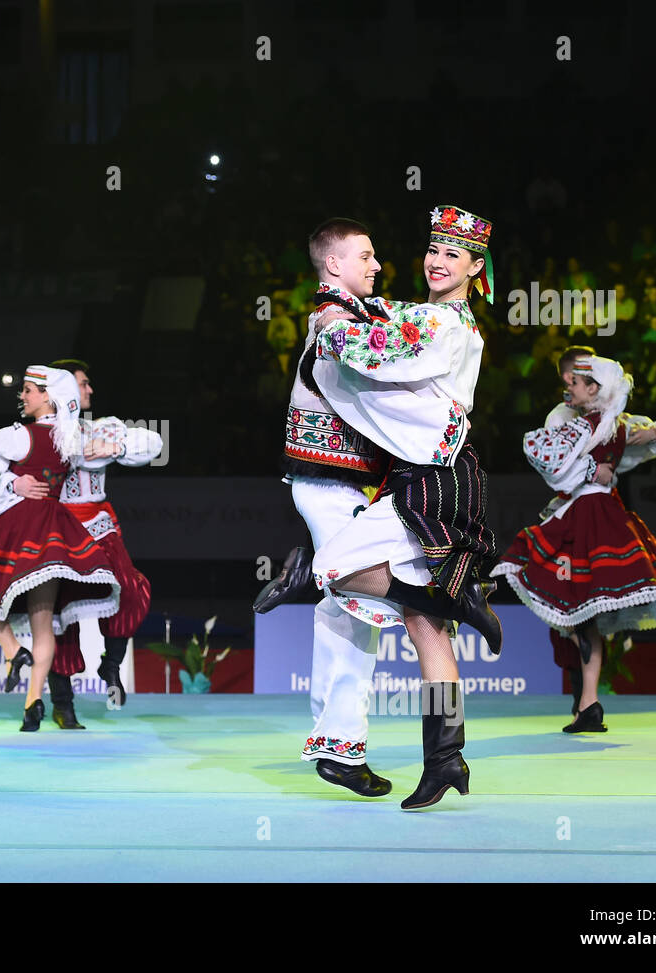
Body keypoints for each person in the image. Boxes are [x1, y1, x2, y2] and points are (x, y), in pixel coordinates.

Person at [307, 204, 503, 810]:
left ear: (476, 268)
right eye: (433, 250)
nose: (437, 261)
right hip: (435, 474)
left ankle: (452, 597)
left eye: (454, 254)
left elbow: (376, 355)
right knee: (428, 629)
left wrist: (332, 321)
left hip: (436, 477)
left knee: (331, 569)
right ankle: (447, 758)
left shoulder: (441, 324)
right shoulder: (432, 316)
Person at [253, 217, 393, 797]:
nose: (377, 264)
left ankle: (335, 742)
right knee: (365, 603)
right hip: (329, 483)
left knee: (343, 614)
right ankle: (341, 748)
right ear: (333, 264)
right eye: (365, 254)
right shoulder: (334, 321)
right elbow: (380, 374)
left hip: (342, 485)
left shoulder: (358, 315)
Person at [495, 355, 656, 731]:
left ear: (593, 388)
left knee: (565, 592)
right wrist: (649, 435)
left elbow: (542, 454)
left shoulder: (589, 424)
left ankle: (587, 701)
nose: (569, 389)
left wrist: (587, 468)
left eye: (577, 383)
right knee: (588, 611)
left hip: (585, 511)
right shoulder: (613, 424)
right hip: (607, 509)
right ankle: (588, 702)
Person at [0, 365, 120, 731]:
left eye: (29, 390)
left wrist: (12, 478)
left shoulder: (20, 436)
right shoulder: (70, 438)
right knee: (43, 621)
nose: (23, 396)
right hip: (55, 533)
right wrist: (117, 445)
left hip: (20, 527)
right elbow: (105, 449)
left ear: (47, 396)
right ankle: (33, 704)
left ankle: (12, 649)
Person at [8, 359, 162, 728]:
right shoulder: (38, 434)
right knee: (59, 616)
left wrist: (117, 444)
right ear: (62, 390)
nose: (89, 390)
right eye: (83, 383)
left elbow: (154, 443)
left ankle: (111, 663)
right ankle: (63, 705)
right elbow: (2, 466)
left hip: (100, 525)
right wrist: (15, 484)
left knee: (129, 588)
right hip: (58, 530)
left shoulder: (102, 427)